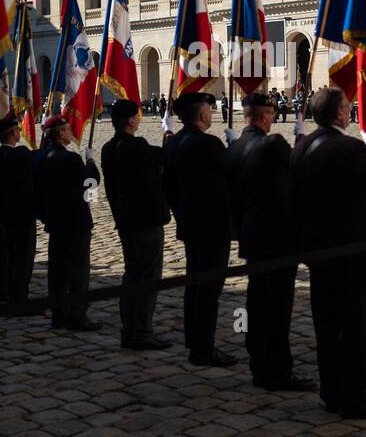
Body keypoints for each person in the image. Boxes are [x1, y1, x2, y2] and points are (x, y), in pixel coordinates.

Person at [289, 87, 366, 419]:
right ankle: (354, 398)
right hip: (353, 254)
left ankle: (331, 391)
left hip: (318, 255)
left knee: (326, 325)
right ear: (338, 114)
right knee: (355, 327)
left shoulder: (302, 145)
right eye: (347, 107)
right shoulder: (351, 148)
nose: (350, 111)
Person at [224, 91, 314, 391]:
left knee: (257, 299)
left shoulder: (234, 147)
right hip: (277, 238)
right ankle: (277, 370)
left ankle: (258, 362)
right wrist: (301, 141)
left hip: (250, 234)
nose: (274, 118)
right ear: (264, 116)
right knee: (277, 306)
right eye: (272, 114)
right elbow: (298, 175)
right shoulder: (273, 144)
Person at [163, 92, 234, 366]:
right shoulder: (209, 143)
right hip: (213, 226)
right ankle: (203, 348)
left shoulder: (174, 142)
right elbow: (232, 173)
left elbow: (167, 186)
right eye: (209, 109)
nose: (212, 112)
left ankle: (193, 339)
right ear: (202, 114)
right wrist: (234, 148)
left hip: (190, 223)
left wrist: (180, 212)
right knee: (209, 289)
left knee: (194, 283)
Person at [101, 99, 172, 349]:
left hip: (125, 220)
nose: (140, 119)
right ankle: (142, 331)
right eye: (137, 116)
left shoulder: (108, 148)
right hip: (146, 221)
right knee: (149, 276)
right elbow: (164, 157)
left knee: (131, 275)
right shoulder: (137, 146)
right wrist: (168, 133)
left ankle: (129, 329)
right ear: (131, 120)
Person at [35, 116, 101, 331]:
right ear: (60, 134)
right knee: (78, 271)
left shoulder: (39, 156)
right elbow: (90, 186)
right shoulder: (70, 158)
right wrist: (90, 163)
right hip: (76, 221)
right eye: (68, 129)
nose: (71, 132)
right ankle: (77, 315)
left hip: (54, 221)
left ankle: (58, 314)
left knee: (57, 271)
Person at [0, 114, 36, 303]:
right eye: (18, 130)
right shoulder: (20, 154)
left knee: (6, 257)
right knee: (22, 260)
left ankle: (5, 292)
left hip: (1, 215)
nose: (20, 132)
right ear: (13, 133)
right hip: (22, 216)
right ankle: (19, 298)